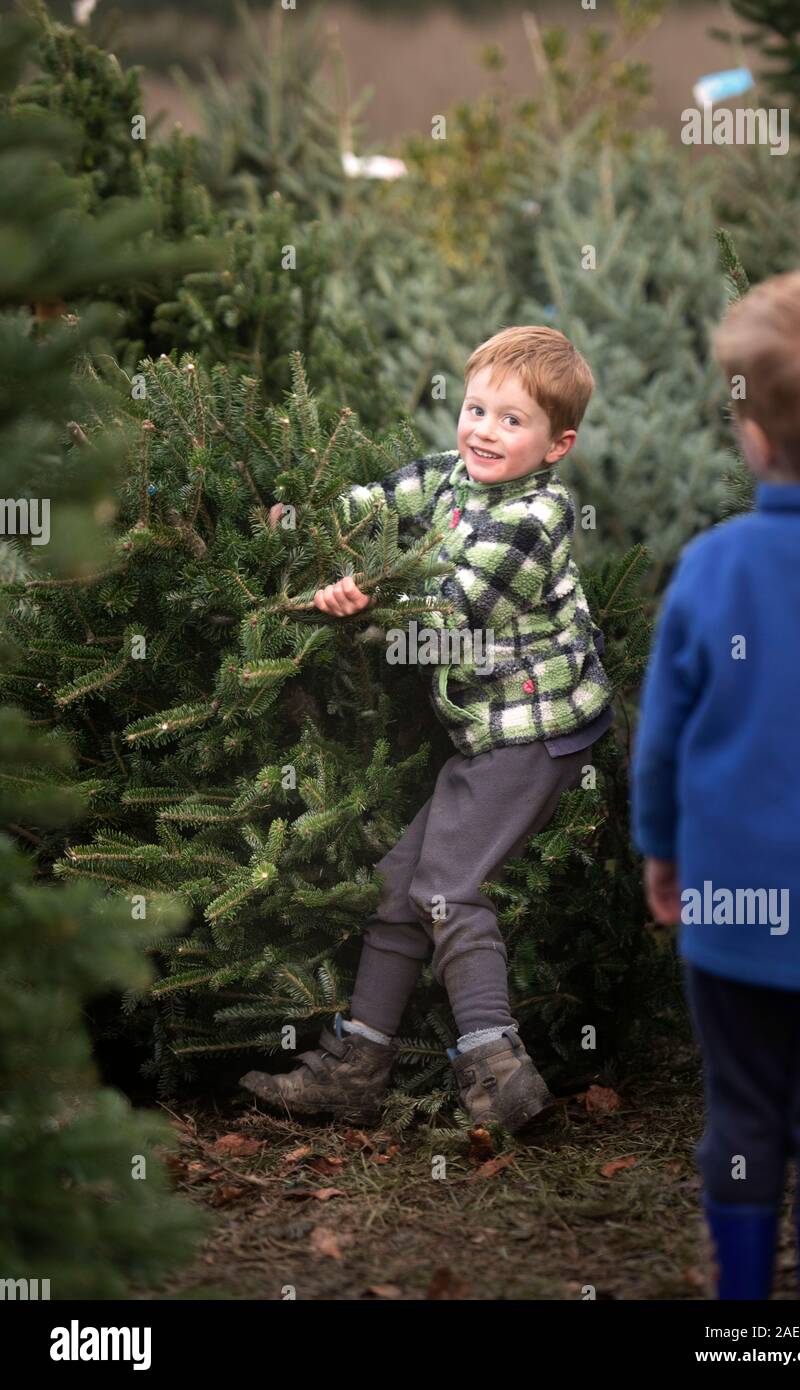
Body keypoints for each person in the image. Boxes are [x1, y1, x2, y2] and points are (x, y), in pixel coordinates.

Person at [240, 325, 614, 1135]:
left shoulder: (535, 518)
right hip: (487, 730)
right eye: (476, 408)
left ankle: (497, 1071)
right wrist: (296, 529)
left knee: (445, 890)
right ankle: (358, 1067)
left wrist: (364, 600)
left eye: (513, 421)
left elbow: (452, 613)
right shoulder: (449, 479)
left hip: (536, 729)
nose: (483, 429)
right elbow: (369, 508)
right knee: (398, 885)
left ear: (558, 445)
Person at [631, 267, 800, 1300]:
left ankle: (742, 1313)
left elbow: (661, 740)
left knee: (740, 1117)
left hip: (728, 916)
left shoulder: (713, 566)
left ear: (757, 439)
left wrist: (661, 851)